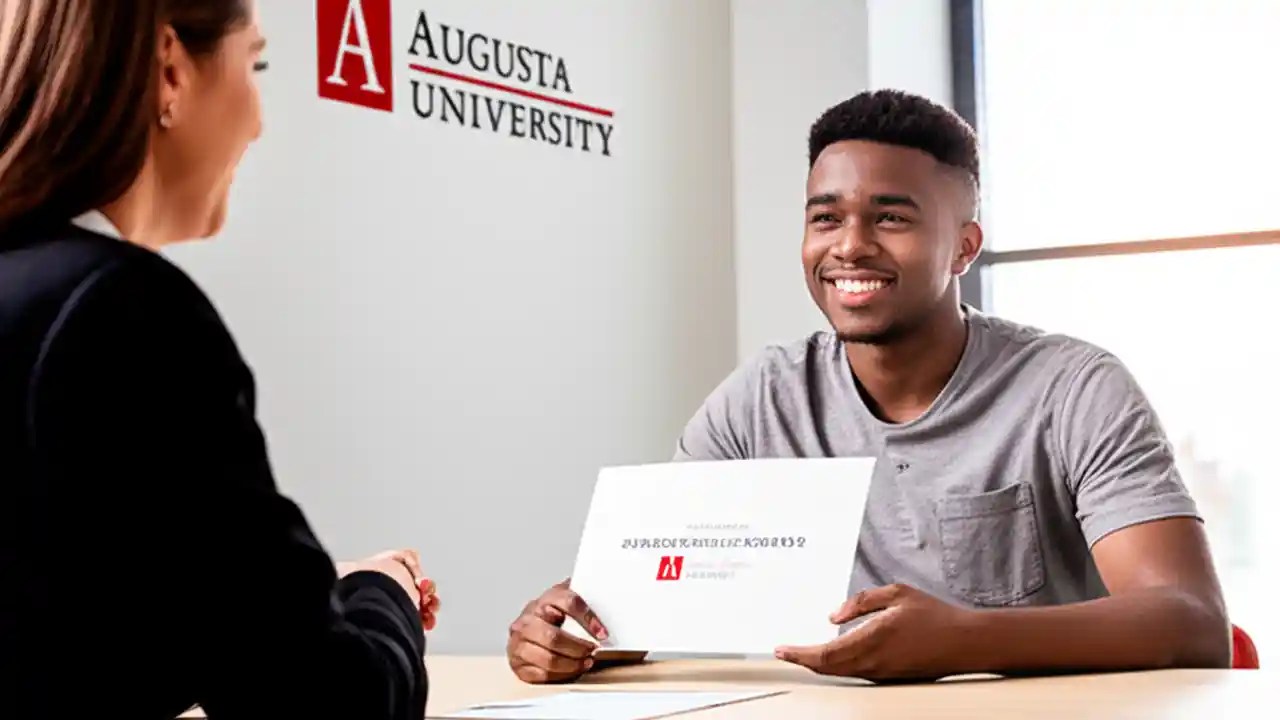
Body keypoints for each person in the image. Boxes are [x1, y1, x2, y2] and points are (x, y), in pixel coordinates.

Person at [506, 89, 1231, 683]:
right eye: (826, 218)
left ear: (965, 249)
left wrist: (964, 641)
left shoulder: (1074, 389)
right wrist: (569, 633)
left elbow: (1192, 621)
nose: (850, 244)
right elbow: (648, 603)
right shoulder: (763, 397)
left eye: (891, 218)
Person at [0, 1, 437, 717]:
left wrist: (312, 599)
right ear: (170, 70)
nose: (261, 122)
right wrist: (382, 592)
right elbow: (327, 705)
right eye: (255, 64)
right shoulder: (120, 310)